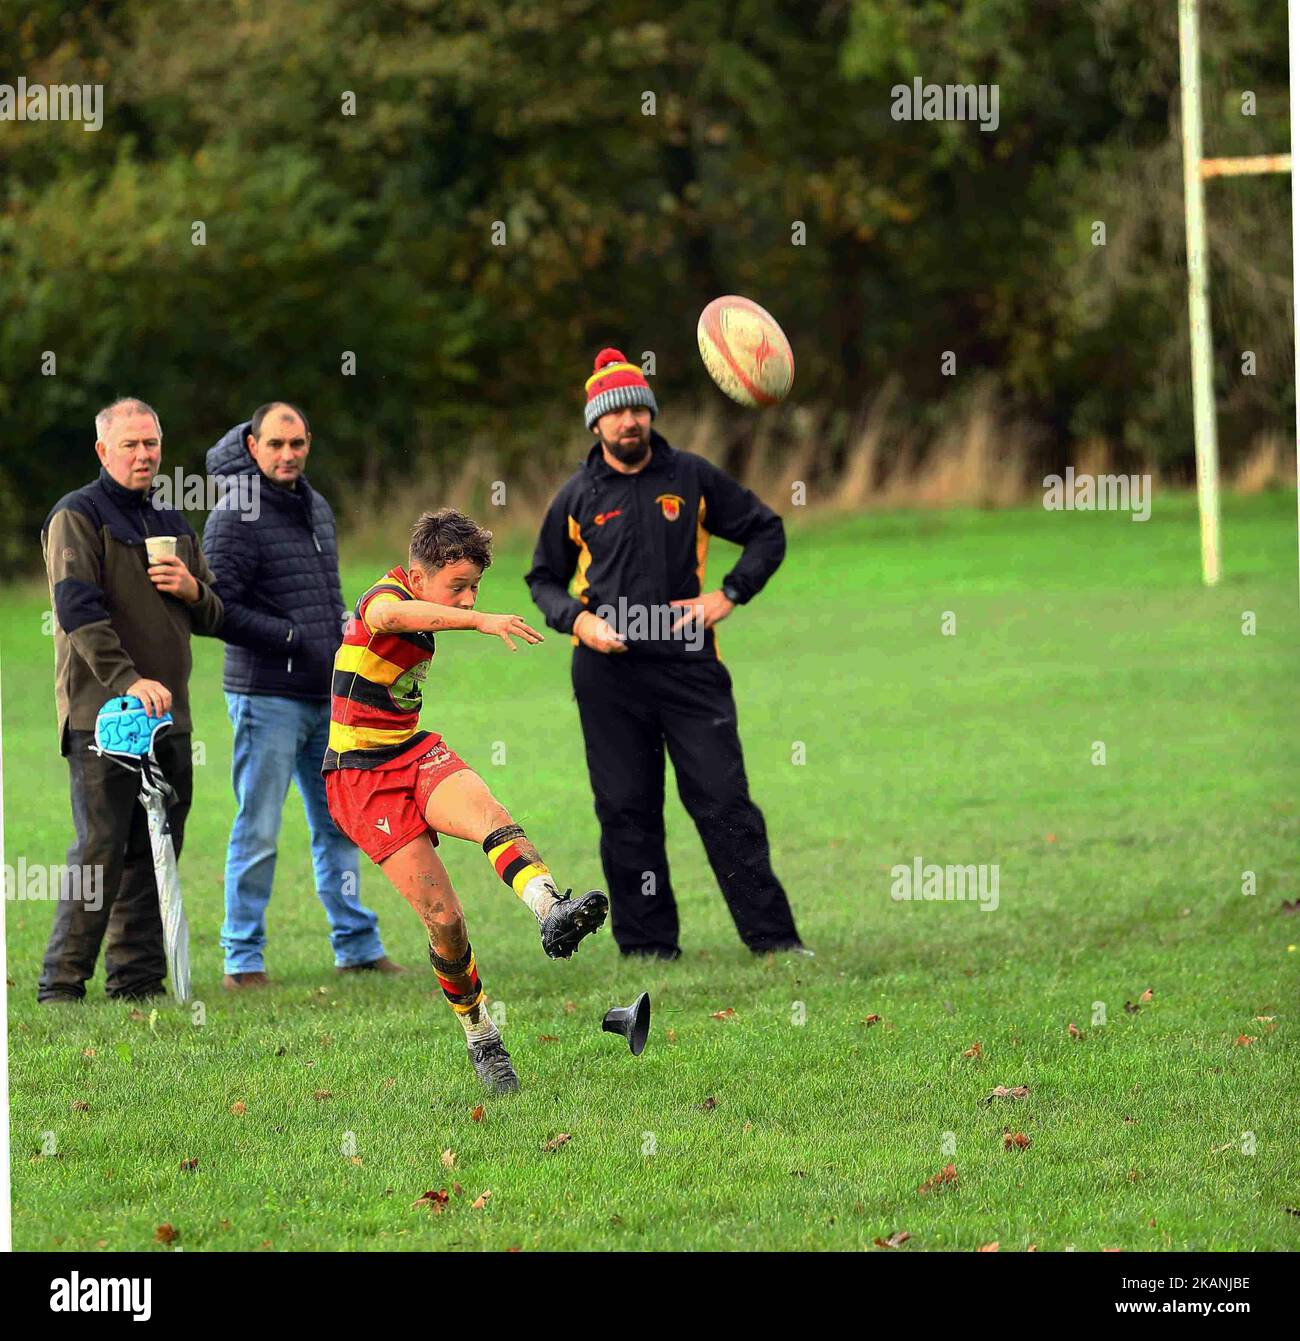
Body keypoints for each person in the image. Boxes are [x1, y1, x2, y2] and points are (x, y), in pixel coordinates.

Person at [525, 348, 807, 961]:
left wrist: (728, 594)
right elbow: (542, 579)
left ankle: (775, 941)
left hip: (690, 668)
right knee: (627, 810)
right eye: (616, 412)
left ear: (650, 415)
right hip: (607, 677)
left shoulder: (693, 478)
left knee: (724, 801)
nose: (629, 421)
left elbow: (767, 530)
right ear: (596, 424)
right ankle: (649, 947)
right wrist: (579, 621)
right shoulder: (576, 495)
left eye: (638, 409)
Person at [323, 507, 608, 1094]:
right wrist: (475, 622)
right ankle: (481, 1035)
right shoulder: (387, 596)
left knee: (490, 816)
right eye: (458, 587)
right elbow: (385, 613)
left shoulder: (429, 601)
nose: (468, 598)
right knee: (445, 921)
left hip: (412, 751)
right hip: (359, 780)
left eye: (475, 588)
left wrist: (464, 609)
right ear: (418, 573)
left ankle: (551, 909)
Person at [203, 402, 398, 988]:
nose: (287, 454)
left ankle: (357, 946)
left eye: (297, 444)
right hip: (266, 698)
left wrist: (339, 632)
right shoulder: (233, 515)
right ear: (253, 445)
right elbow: (217, 610)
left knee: (340, 823)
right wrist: (292, 637)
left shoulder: (315, 505)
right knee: (258, 828)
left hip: (326, 697)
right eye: (276, 444)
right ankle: (242, 959)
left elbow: (322, 592)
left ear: (307, 442)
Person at [39, 397, 224, 1003]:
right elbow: (77, 611)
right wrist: (127, 681)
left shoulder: (170, 521)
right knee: (101, 847)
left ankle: (137, 981)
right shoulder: (78, 515)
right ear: (103, 450)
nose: (143, 455)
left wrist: (192, 587)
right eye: (129, 444)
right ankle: (62, 987)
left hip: (169, 719)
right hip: (105, 714)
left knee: (157, 847)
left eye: (151, 444)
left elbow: (214, 613)